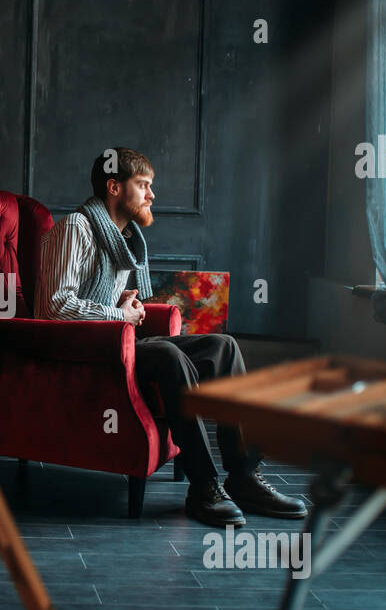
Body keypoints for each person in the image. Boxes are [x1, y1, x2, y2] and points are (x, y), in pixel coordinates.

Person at [35, 147, 307, 527]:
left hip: (114, 342)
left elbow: (86, 294)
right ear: (114, 187)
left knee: (222, 347)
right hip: (81, 354)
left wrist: (119, 299)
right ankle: (204, 486)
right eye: (143, 185)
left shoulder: (120, 238)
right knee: (167, 355)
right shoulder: (75, 229)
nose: (151, 195)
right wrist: (119, 313)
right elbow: (54, 308)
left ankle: (244, 475)